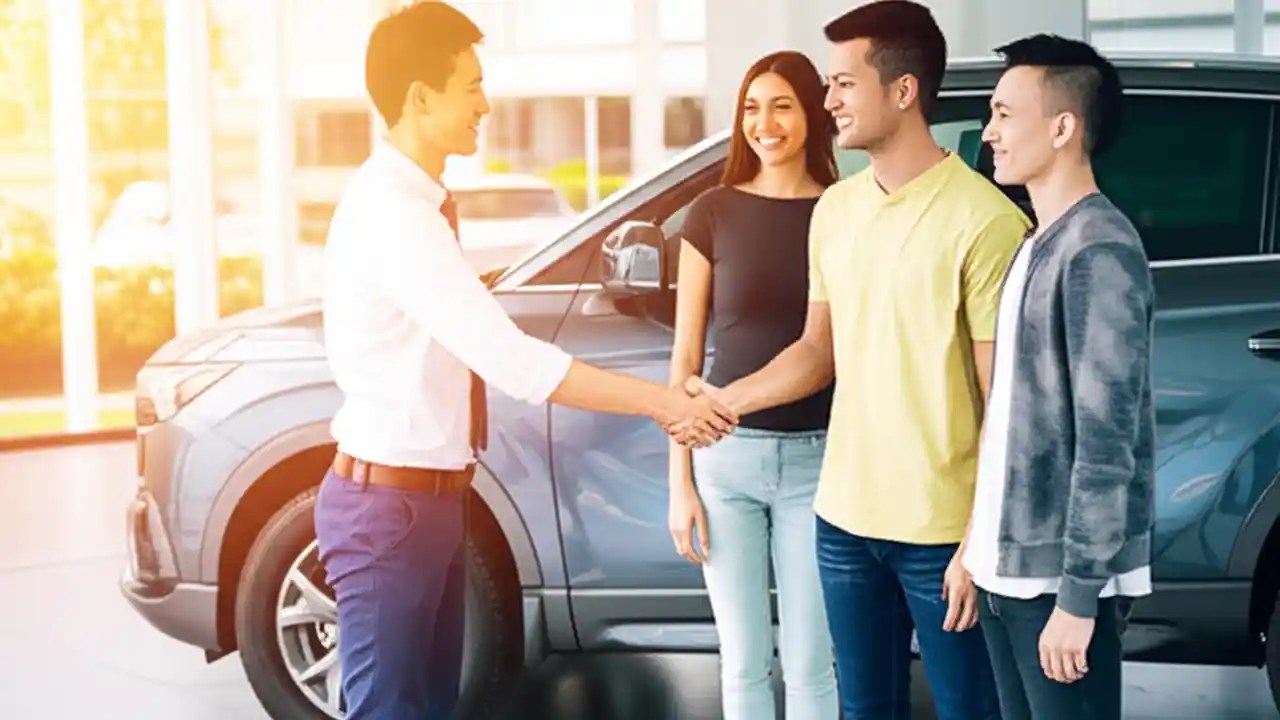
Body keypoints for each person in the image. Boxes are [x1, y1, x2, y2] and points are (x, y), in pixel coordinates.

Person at [314, 4, 736, 718]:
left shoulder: (416, 205)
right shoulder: (395, 215)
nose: (485, 103)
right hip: (391, 512)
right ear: (420, 96)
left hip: (426, 503)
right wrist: (664, 403)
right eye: (470, 86)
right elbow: (514, 364)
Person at [681, 2, 1029, 717]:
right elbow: (815, 352)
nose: (829, 99)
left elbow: (1005, 405)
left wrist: (977, 542)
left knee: (970, 708)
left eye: (843, 84)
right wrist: (723, 404)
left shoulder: (988, 221)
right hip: (842, 521)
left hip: (940, 536)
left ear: (902, 92)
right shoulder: (836, 211)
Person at [963, 34, 1154, 720]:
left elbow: (1109, 446)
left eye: (1004, 113)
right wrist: (973, 548)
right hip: (1006, 572)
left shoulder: (1099, 249)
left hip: (1057, 586)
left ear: (1064, 126)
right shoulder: (1038, 241)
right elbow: (1012, 418)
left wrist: (1078, 601)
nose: (989, 133)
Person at [667, 50, 839, 720]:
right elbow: (685, 359)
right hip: (724, 463)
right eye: (751, 107)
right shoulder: (711, 213)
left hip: (817, 464)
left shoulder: (842, 211)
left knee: (811, 665)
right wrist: (679, 482)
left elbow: (828, 352)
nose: (764, 123)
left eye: (782, 106)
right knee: (740, 665)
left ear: (811, 115)